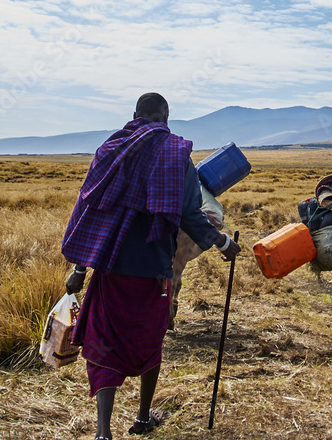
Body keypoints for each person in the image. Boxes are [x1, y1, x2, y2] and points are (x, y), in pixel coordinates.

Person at [62, 92, 240, 440]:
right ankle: (143, 417)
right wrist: (222, 242)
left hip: (111, 268)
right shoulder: (175, 154)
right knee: (150, 341)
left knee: (104, 344)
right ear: (166, 117)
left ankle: (103, 431)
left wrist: (80, 269)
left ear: (134, 115)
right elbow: (189, 214)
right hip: (154, 269)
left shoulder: (111, 150)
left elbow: (91, 209)